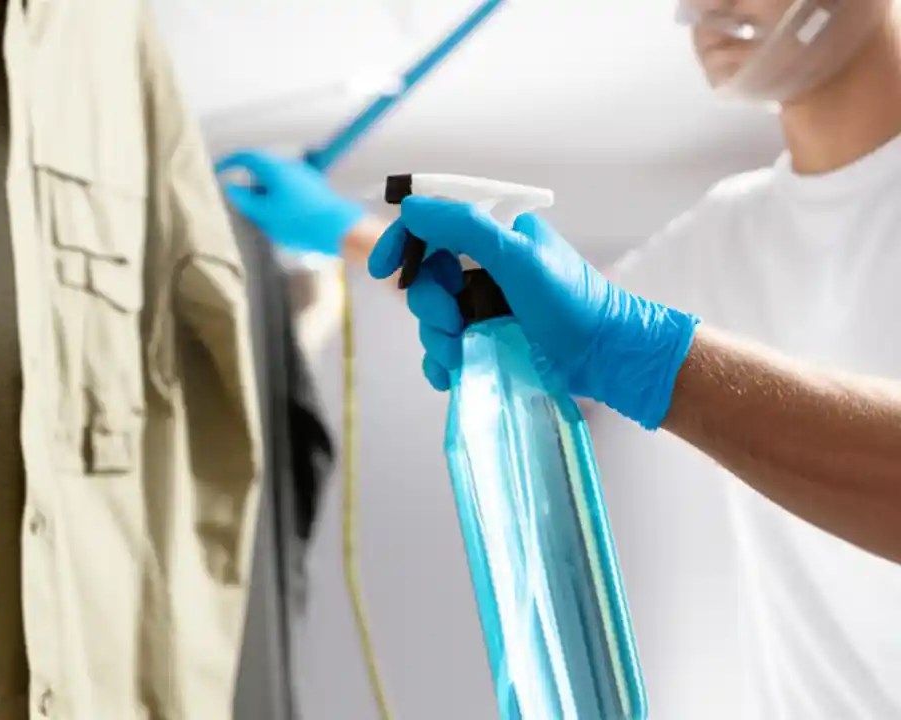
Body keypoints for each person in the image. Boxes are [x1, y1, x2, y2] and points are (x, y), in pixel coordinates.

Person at [218, 1, 901, 717]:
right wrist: (340, 228)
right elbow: (546, 325)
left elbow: (610, 338)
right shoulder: (732, 229)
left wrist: (634, 349)